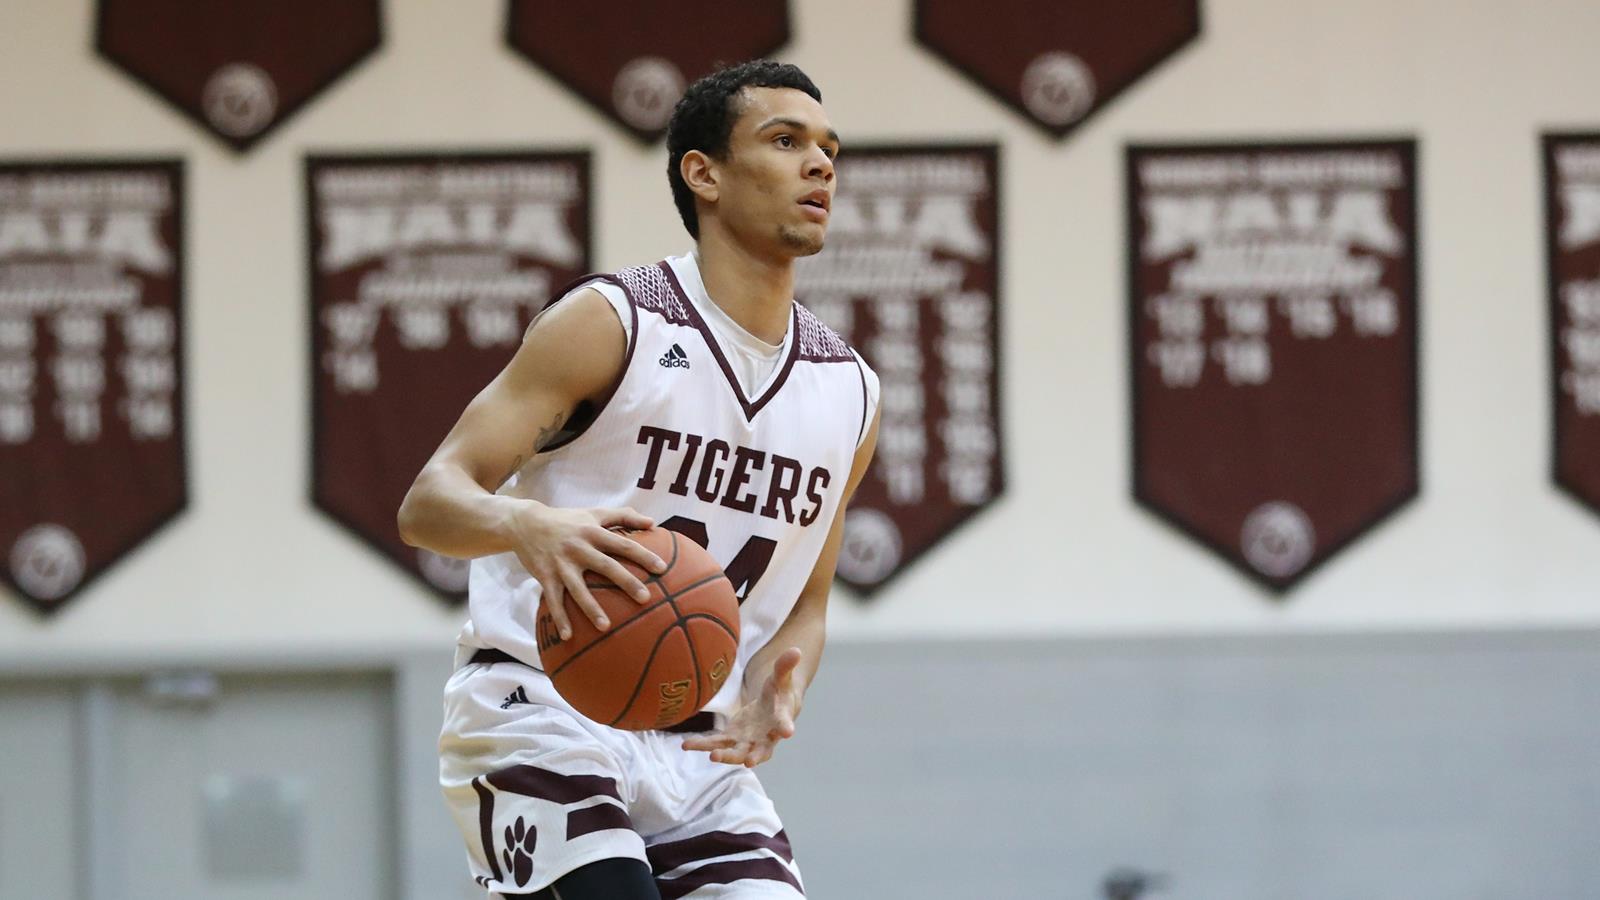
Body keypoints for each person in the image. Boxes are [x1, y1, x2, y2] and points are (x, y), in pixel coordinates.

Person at [398, 59, 881, 899]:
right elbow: (429, 502)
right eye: (786, 140)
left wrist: (781, 676)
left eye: (829, 147)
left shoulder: (852, 391)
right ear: (705, 175)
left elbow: (807, 598)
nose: (821, 164)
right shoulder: (612, 322)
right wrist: (525, 525)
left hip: (696, 746)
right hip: (541, 708)